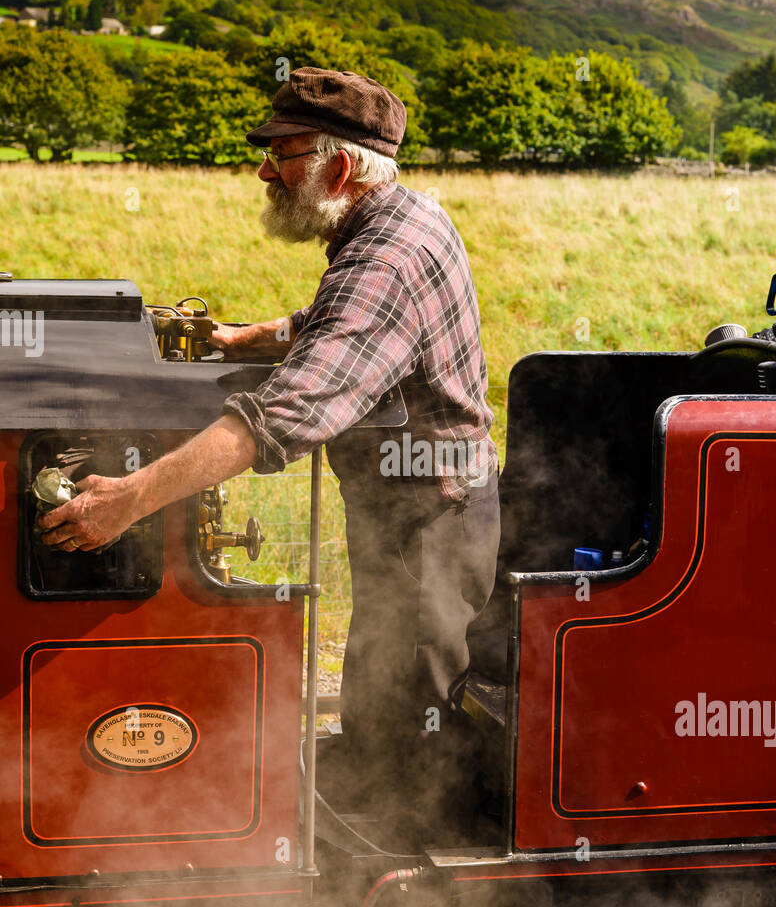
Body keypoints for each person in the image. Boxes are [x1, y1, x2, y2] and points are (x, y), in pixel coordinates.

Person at [39, 67, 500, 840]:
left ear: (340, 166)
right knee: (377, 680)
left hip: (432, 516)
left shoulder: (384, 260)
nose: (263, 170)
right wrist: (238, 338)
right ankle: (373, 824)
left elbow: (280, 417)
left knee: (415, 703)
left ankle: (417, 874)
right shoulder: (399, 219)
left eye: (282, 154)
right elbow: (329, 318)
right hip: (409, 504)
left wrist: (129, 500)